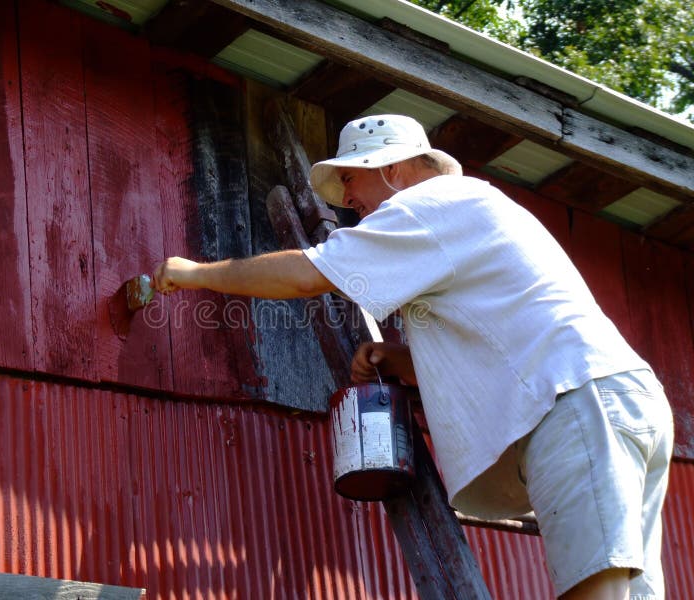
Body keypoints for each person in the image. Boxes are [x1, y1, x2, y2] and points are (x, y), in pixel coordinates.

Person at [151, 114, 674, 600]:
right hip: (613, 400)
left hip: (576, 405)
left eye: (351, 179)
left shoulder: (428, 206)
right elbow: (500, 332)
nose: (347, 199)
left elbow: (307, 276)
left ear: (393, 168)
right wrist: (403, 361)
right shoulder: (467, 210)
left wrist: (193, 272)